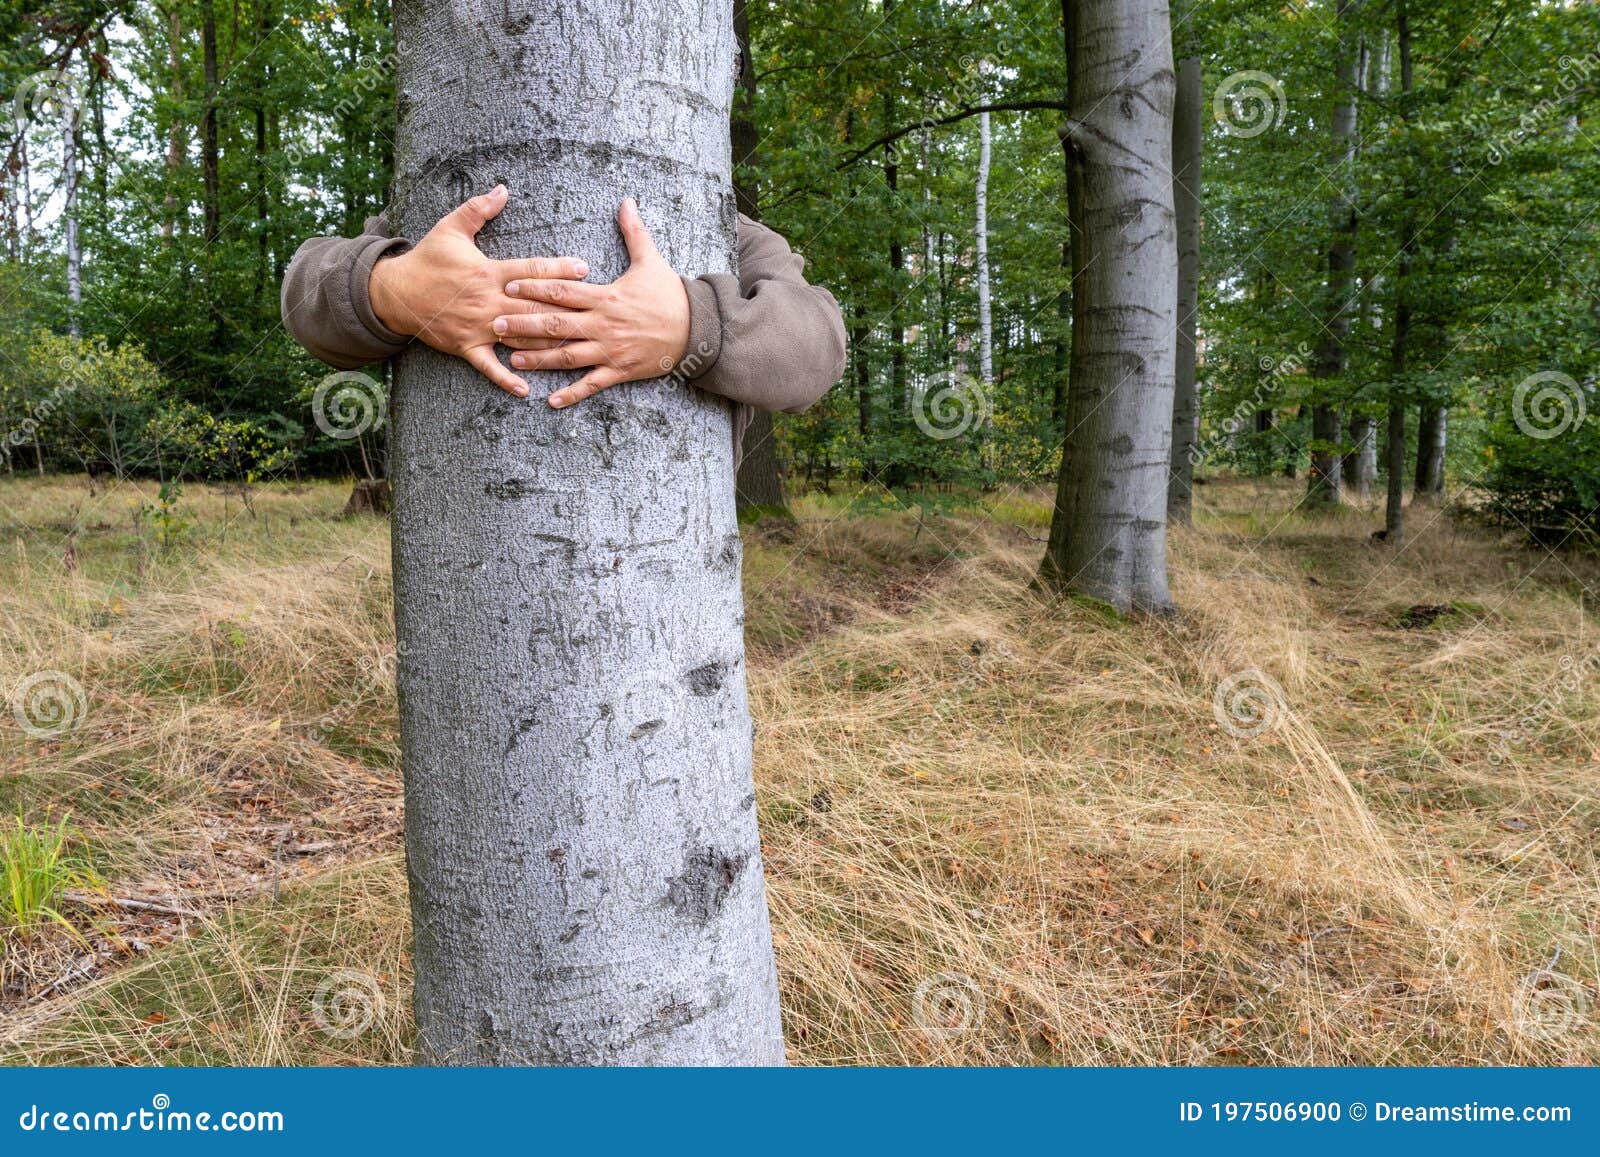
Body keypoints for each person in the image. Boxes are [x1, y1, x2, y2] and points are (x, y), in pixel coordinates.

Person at [280, 185, 845, 463]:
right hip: (459, 577)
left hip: (673, 588)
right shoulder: (438, 200)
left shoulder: (721, 224)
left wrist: (691, 326)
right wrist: (395, 289)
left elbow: (819, 351)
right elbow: (303, 296)